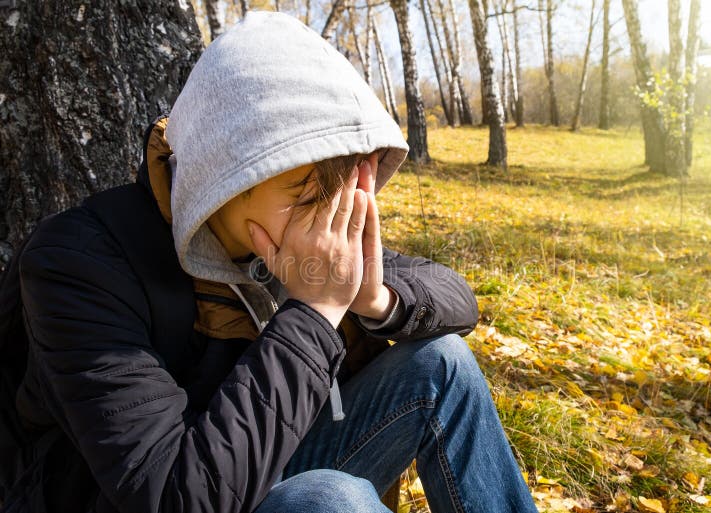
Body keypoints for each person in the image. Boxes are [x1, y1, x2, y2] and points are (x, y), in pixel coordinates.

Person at [7, 10, 539, 513]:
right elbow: (175, 495)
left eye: (340, 196)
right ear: (228, 176)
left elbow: (456, 299)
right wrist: (314, 310)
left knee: (441, 362)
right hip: (177, 491)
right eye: (306, 195)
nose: (330, 223)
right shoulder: (79, 265)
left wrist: (373, 297)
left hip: (272, 471)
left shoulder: (297, 235)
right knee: (333, 501)